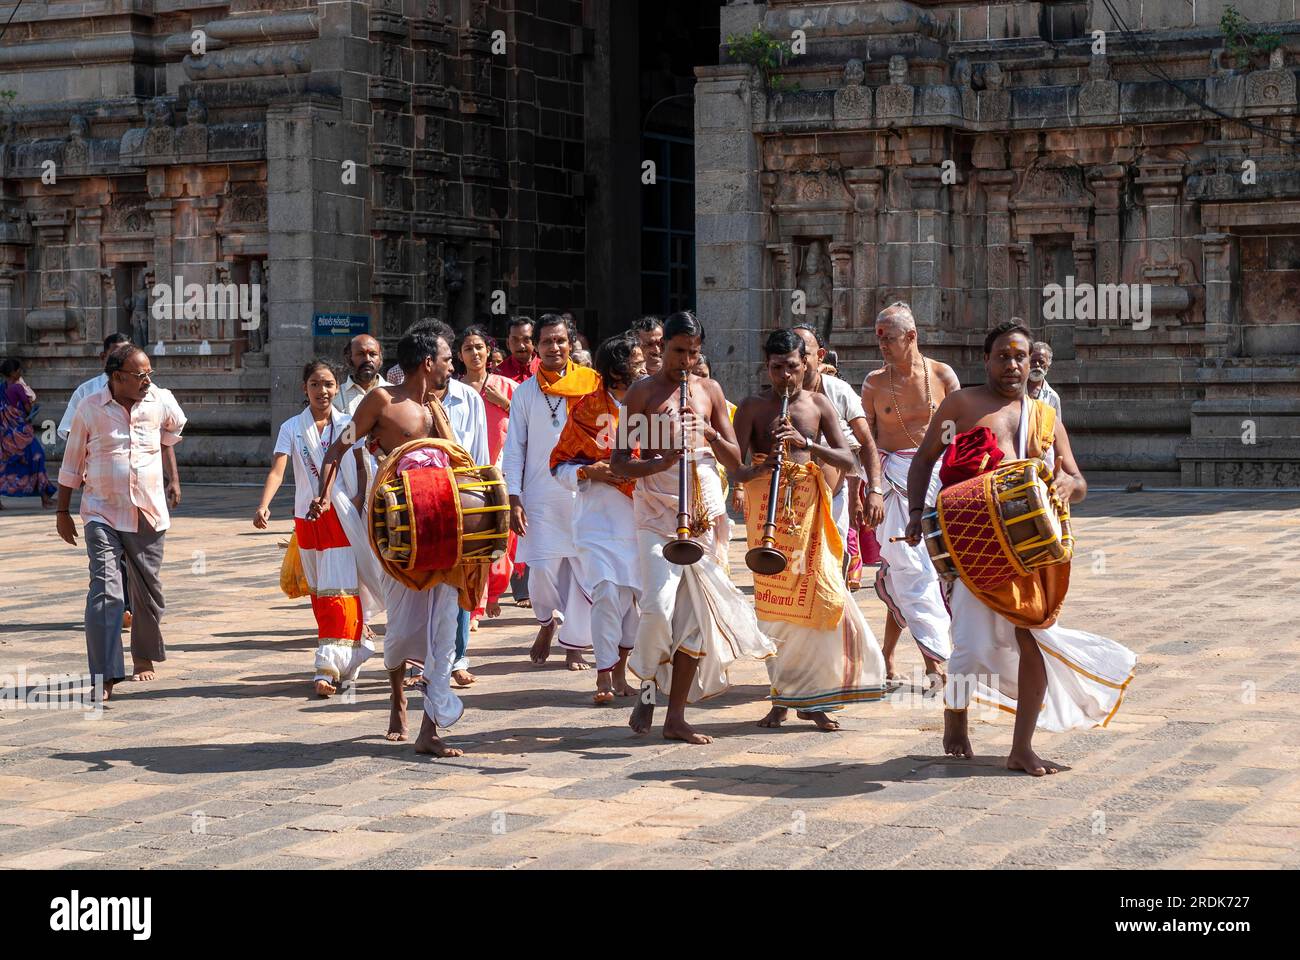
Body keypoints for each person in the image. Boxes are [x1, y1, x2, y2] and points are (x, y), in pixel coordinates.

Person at [904, 320, 1137, 776]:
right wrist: (916, 513)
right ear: (986, 360)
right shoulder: (963, 404)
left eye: (1020, 357)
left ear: (1033, 363)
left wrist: (1070, 485)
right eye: (1003, 356)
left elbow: (1078, 479)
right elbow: (923, 460)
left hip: (1031, 549)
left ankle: (1021, 748)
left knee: (1032, 639)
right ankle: (956, 715)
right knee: (968, 651)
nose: (1012, 365)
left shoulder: (1046, 417)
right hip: (977, 546)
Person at [311, 329, 481, 757]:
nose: (451, 366)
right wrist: (323, 493)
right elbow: (338, 448)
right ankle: (397, 696)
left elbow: (458, 463)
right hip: (399, 531)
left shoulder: (438, 407)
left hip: (442, 530)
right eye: (446, 358)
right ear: (427, 361)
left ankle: (431, 730)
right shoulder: (382, 402)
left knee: (444, 625)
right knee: (404, 625)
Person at [613, 311, 775, 744]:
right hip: (656, 508)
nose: (684, 360)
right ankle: (647, 685)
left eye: (692, 352)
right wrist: (658, 461)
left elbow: (735, 463)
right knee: (658, 607)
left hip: (702, 509)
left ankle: (676, 716)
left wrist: (706, 429)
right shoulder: (642, 393)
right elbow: (618, 462)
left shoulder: (709, 391)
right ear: (663, 346)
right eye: (677, 351)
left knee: (693, 619)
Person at [733, 330, 887, 730]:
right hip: (765, 511)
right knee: (776, 611)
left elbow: (846, 459)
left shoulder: (819, 404)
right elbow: (734, 465)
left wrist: (807, 443)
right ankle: (783, 698)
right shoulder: (751, 406)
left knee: (821, 598)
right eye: (777, 368)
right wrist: (756, 470)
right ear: (767, 367)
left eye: (793, 367)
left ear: (808, 364)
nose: (786, 376)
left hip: (810, 512)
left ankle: (815, 699)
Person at [55, 346, 186, 698]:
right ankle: (105, 676)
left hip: (148, 512)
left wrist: (173, 478)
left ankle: (143, 656)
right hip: (101, 511)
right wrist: (62, 511)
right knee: (106, 591)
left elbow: (170, 433)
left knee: (148, 594)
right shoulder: (89, 407)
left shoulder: (160, 400)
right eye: (140, 375)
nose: (147, 381)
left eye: (149, 374)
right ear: (117, 377)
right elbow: (71, 461)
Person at [253, 360, 381, 697]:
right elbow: (278, 471)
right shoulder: (292, 428)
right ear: (304, 388)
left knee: (338, 590)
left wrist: (356, 499)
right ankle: (348, 655)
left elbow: (360, 463)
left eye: (327, 384)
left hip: (340, 516)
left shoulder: (348, 425)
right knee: (322, 592)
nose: (321, 391)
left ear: (337, 388)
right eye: (314, 384)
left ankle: (326, 667)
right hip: (306, 519)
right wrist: (264, 504)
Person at [861, 302, 960, 687]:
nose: (882, 345)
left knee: (923, 572)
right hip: (894, 484)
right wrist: (866, 488)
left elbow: (961, 433)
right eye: (879, 338)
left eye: (890, 338)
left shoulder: (941, 374)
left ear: (912, 337)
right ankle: (936, 662)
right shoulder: (873, 383)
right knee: (912, 569)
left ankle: (887, 655)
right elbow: (864, 441)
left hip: (939, 480)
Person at [550, 332, 647, 704]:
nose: (643, 367)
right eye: (636, 362)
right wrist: (592, 472)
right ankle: (603, 675)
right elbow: (559, 464)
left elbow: (656, 458)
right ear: (616, 370)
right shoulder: (587, 409)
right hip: (596, 519)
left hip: (639, 515)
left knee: (631, 598)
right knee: (606, 591)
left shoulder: (649, 406)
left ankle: (622, 672)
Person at [502, 314, 595, 669]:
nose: (553, 348)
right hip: (539, 494)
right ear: (537, 347)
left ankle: (575, 645)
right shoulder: (525, 392)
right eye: (546, 342)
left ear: (571, 343)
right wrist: (514, 498)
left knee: (581, 572)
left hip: (583, 493)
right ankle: (547, 622)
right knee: (540, 571)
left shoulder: (589, 384)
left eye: (560, 341)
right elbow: (515, 448)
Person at [790, 323, 885, 551]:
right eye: (794, 355)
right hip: (790, 507)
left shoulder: (838, 391)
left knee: (833, 571)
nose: (800, 362)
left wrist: (874, 490)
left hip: (836, 501)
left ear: (820, 356)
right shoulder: (778, 397)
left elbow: (865, 443)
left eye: (806, 354)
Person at [458, 325, 516, 638]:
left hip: (503, 473)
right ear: (460, 355)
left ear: (489, 351)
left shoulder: (506, 387)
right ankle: (476, 605)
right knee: (475, 541)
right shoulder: (455, 390)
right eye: (468, 348)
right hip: (469, 476)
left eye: (479, 347)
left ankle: (494, 592)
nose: (475, 353)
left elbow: (525, 424)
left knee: (502, 541)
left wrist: (503, 403)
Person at [1, 359, 56, 509]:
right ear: (13, 373)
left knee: (5, 464)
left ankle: (44, 497)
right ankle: (45, 498)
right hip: (21, 434)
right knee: (38, 457)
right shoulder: (18, 387)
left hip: (6, 436)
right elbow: (27, 409)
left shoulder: (2, 388)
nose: (20, 373)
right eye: (19, 370)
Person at [57, 333, 132, 442]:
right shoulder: (86, 391)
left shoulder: (145, 392)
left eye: (127, 356)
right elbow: (70, 431)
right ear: (103, 357)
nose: (121, 362)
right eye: (115, 357)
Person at [335, 334, 390, 415]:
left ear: (380, 359)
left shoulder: (395, 394)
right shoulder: (336, 397)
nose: (367, 359)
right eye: (361, 354)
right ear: (348, 358)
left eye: (372, 354)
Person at [497, 316, 541, 383]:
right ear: (507, 343)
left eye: (526, 339)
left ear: (535, 342)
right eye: (515, 340)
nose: (521, 346)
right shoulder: (499, 373)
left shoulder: (547, 369)